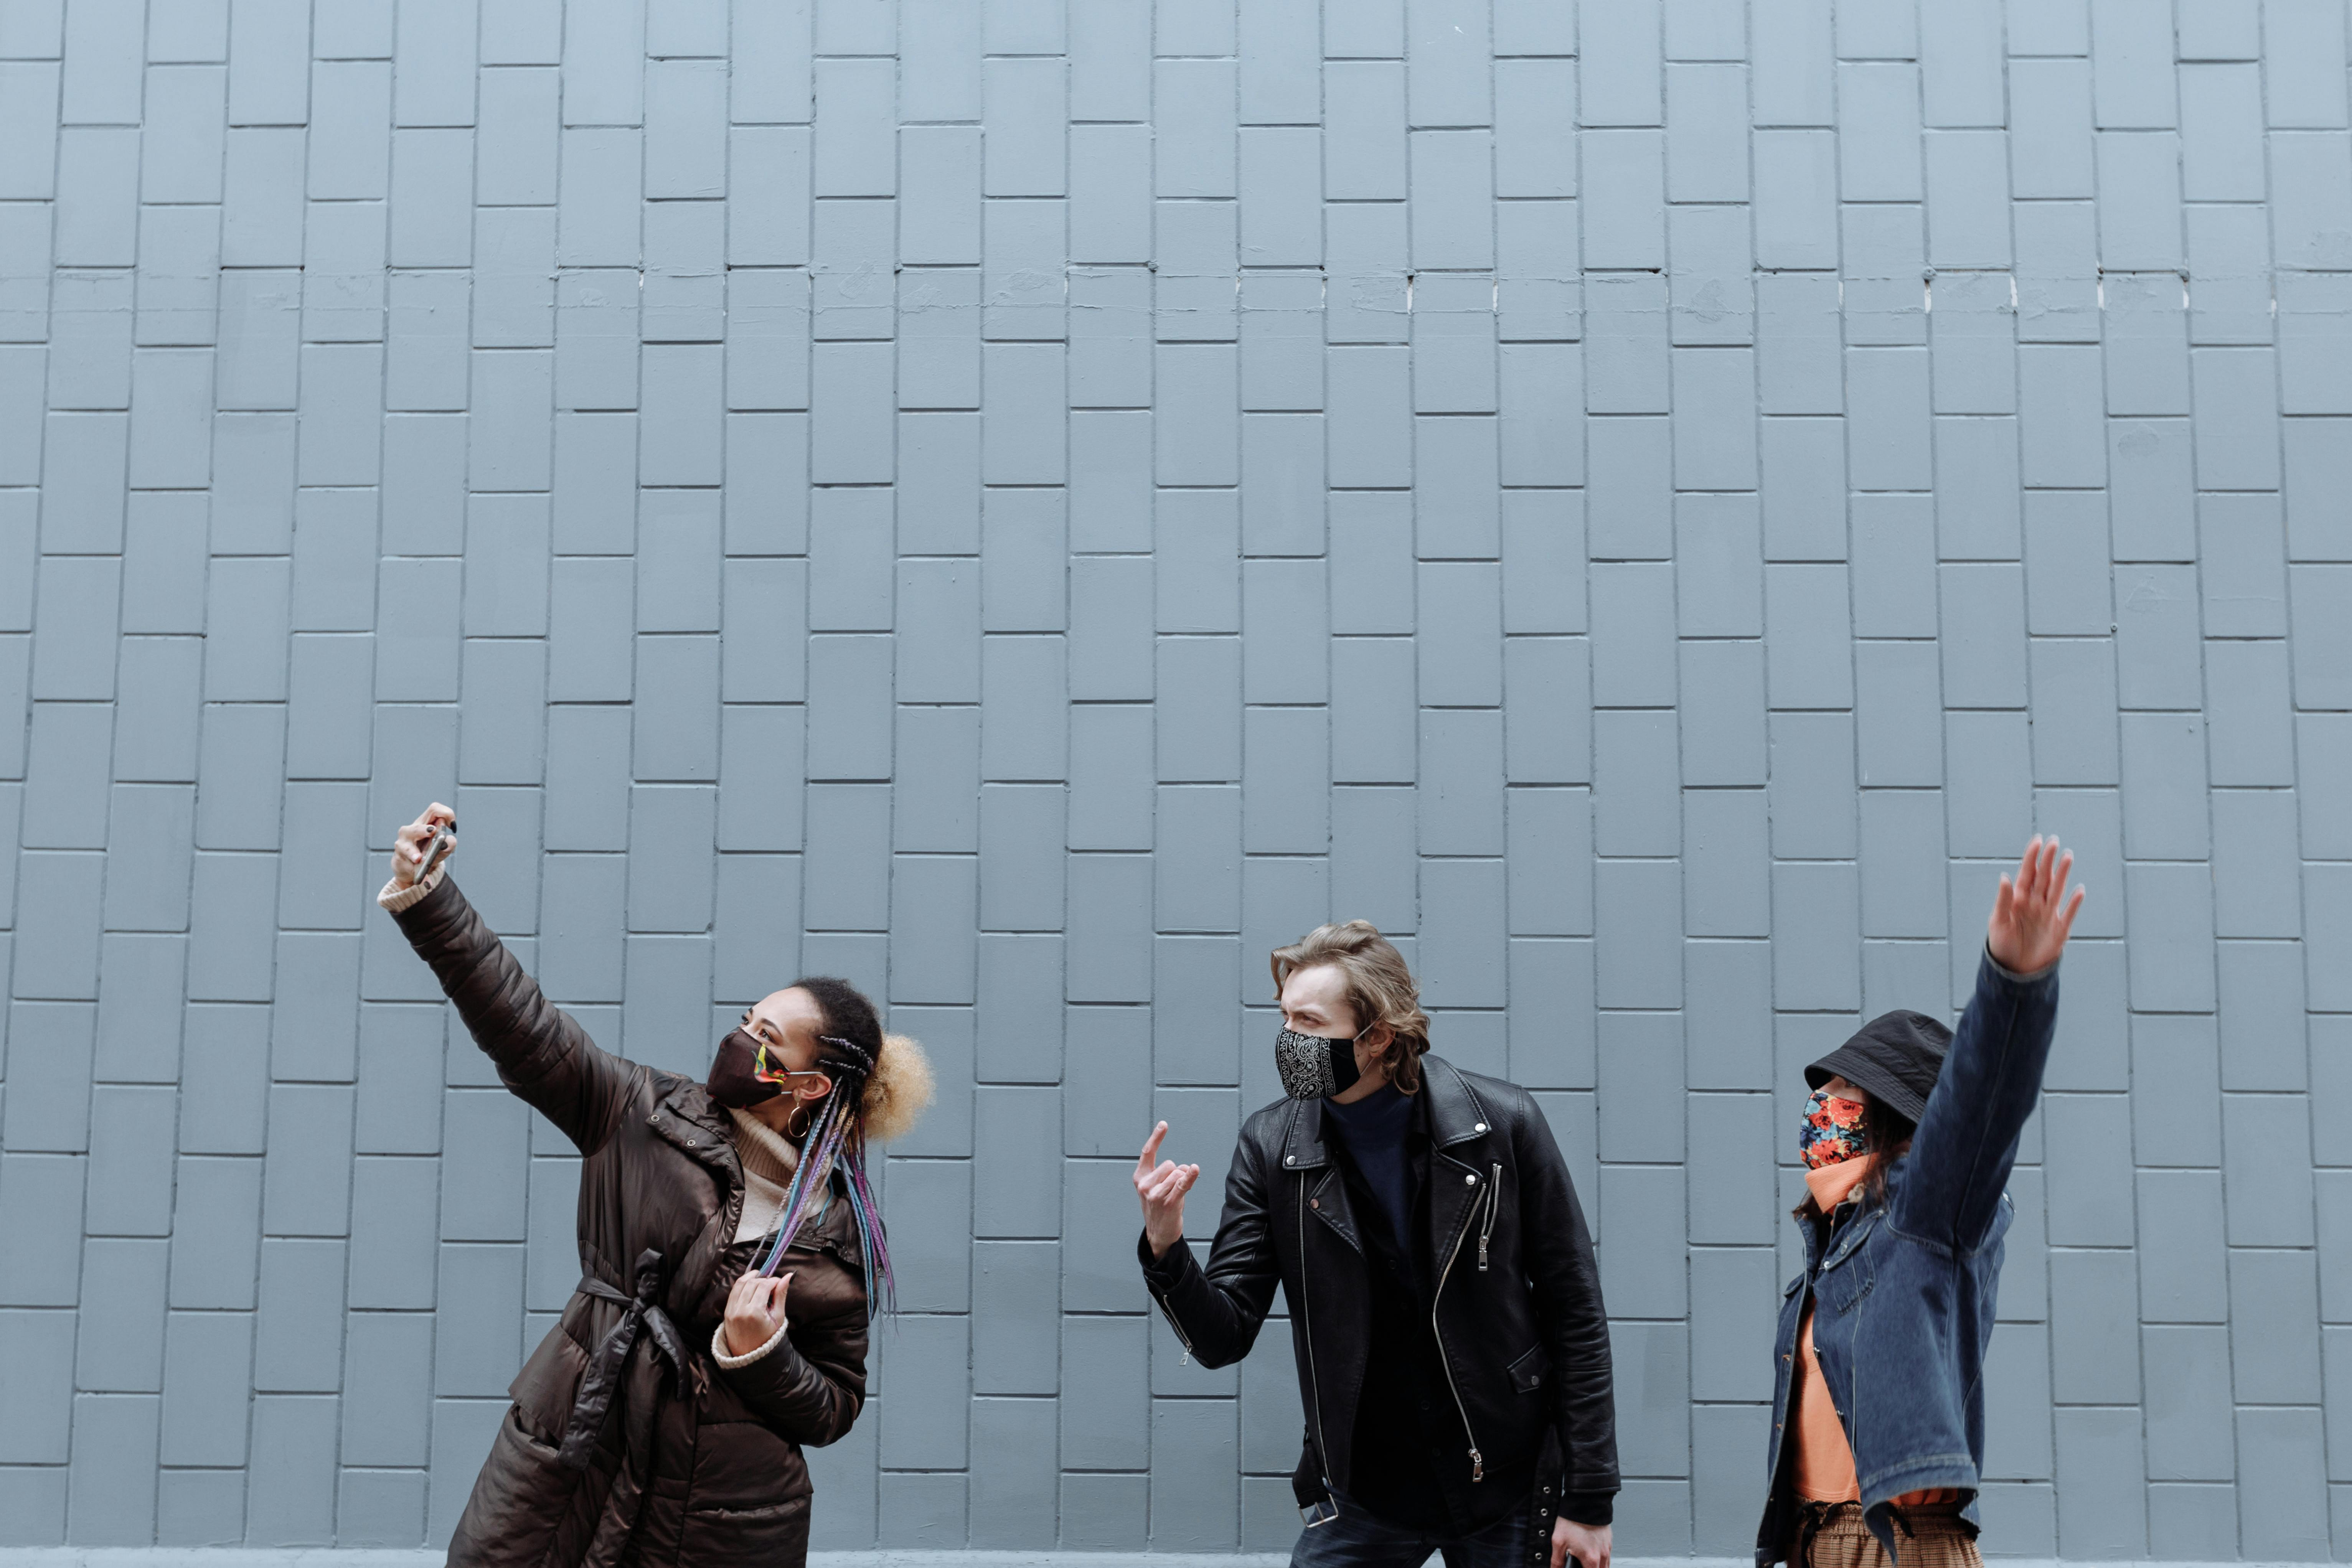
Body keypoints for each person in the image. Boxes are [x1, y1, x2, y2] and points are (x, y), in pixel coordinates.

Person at [376, 803, 931, 1568]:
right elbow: (523, 1025)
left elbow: (832, 1408)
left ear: (808, 1086)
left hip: (717, 1516)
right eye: (747, 1020)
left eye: (765, 1038)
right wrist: (430, 897)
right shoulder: (642, 1110)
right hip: (572, 1453)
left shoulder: (838, 1238)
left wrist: (761, 1352)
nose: (740, 1040)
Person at [1135, 921, 1618, 1568]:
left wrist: (1588, 1499)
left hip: (1506, 1478)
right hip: (1366, 1487)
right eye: (1285, 1019)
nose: (1289, 1040)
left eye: (1310, 1023)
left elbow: (1575, 1312)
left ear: (1378, 1037)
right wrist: (1165, 1244)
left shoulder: (1503, 1126)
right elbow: (1224, 1338)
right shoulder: (1272, 1148)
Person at [1758, 836, 2085, 1568]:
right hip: (1816, 1539)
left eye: (1842, 1091)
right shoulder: (1833, 1242)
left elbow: (1978, 1106)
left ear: (1893, 1116)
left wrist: (2013, 984)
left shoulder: (1921, 1211)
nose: (1820, 1105)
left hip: (1894, 1547)